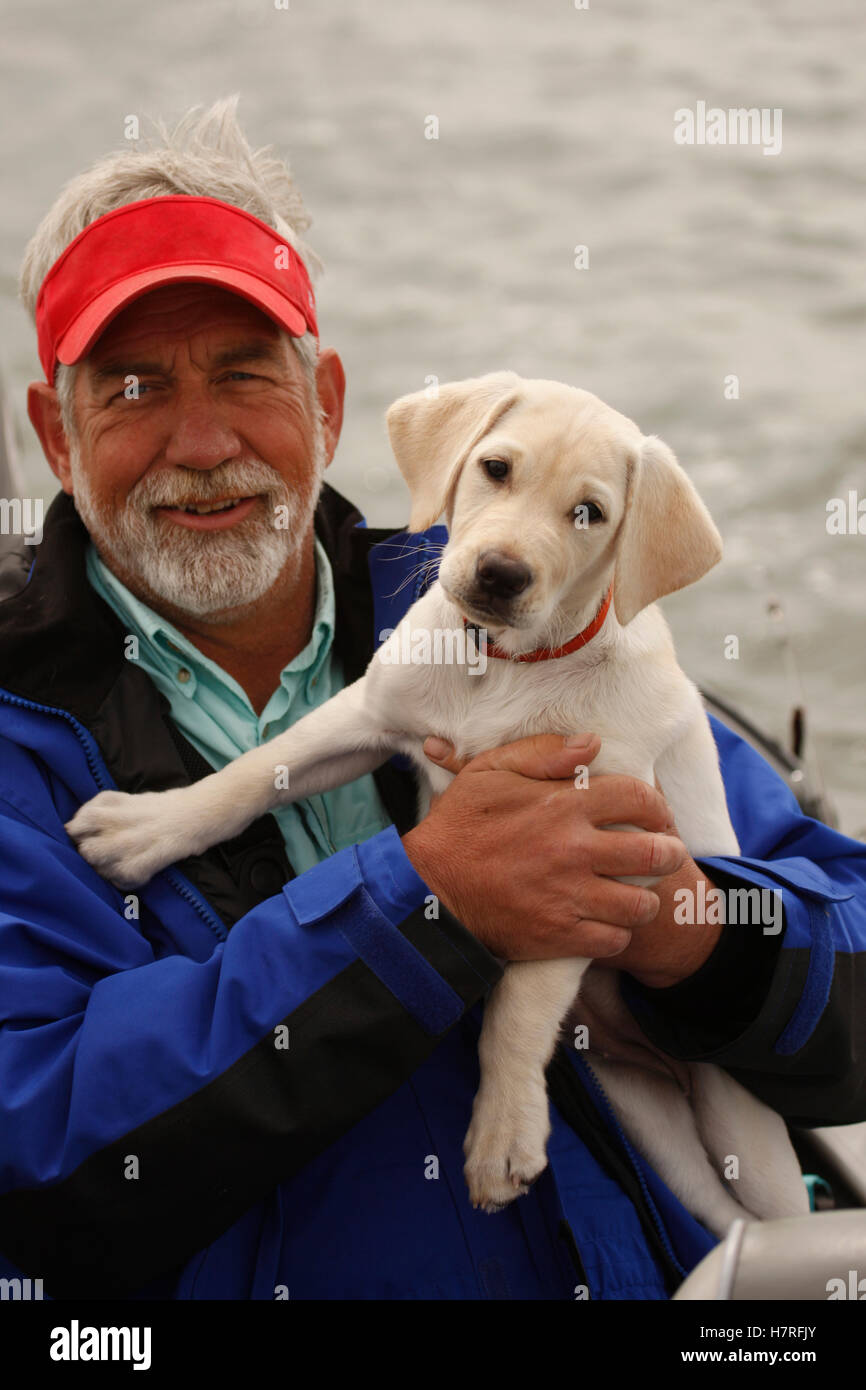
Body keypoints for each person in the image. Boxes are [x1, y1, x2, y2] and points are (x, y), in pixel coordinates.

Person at [0, 98, 863, 1301]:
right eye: (133, 388)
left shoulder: (550, 634)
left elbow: (847, 966)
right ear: (54, 433)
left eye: (246, 373)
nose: (199, 440)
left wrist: (687, 930)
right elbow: (36, 1161)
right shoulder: (17, 746)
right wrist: (426, 903)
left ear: (328, 406)